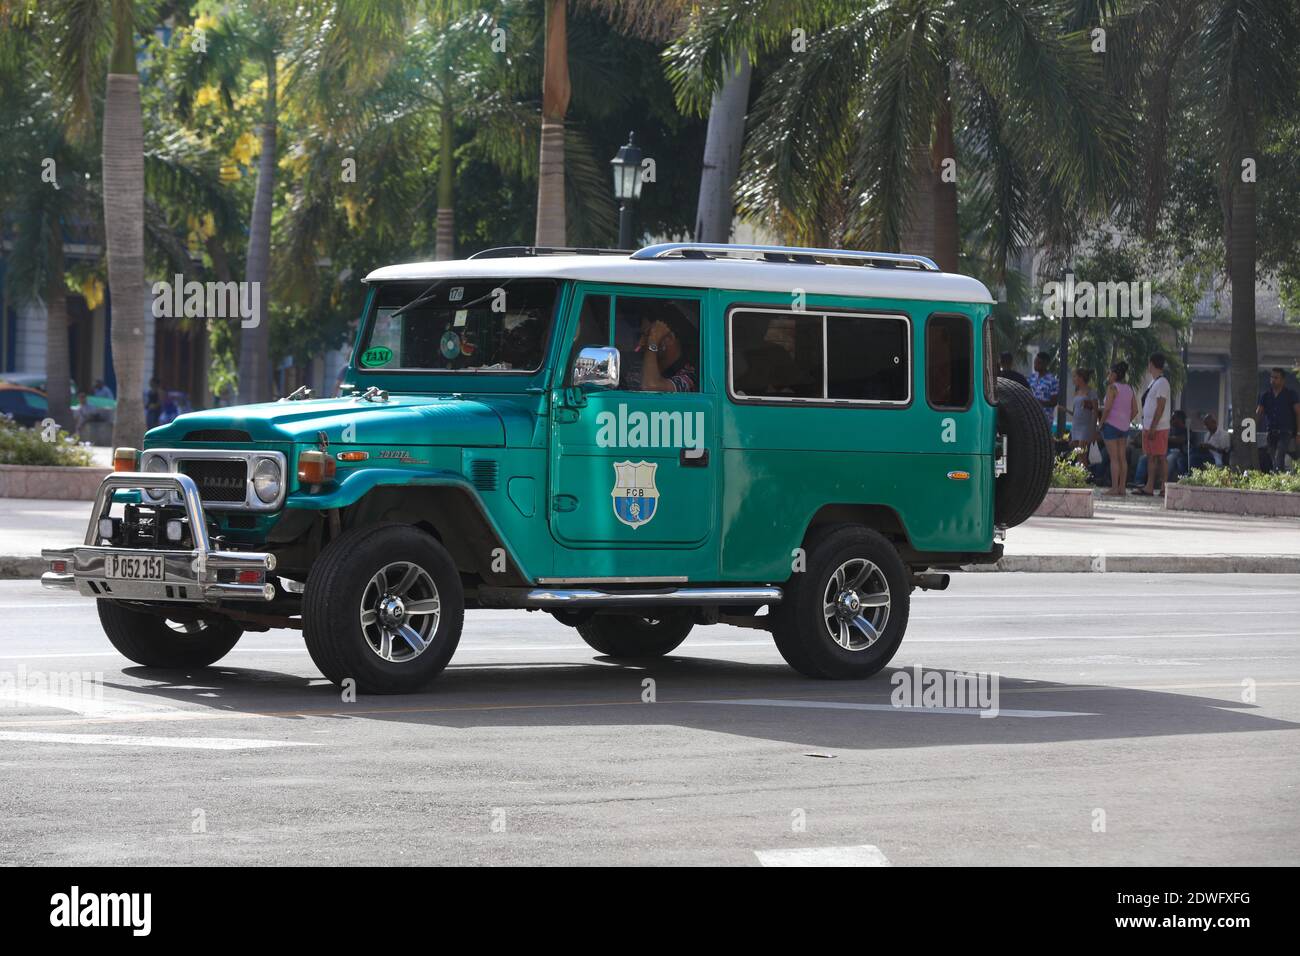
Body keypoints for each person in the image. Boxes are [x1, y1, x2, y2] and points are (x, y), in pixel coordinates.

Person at [1099, 361, 1137, 496]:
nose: (1108, 375)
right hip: (1124, 427)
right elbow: (1135, 410)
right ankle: (1122, 488)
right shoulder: (1129, 388)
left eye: (1110, 373)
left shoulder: (1112, 388)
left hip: (1111, 426)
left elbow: (1107, 408)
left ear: (1114, 374)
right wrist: (1126, 420)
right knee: (1122, 458)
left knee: (1114, 458)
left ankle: (1114, 488)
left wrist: (1101, 423)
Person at [1136, 353, 1171, 496]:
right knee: (1151, 456)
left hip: (1158, 427)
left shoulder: (1162, 382)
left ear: (1152, 364)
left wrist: (1153, 427)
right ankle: (1149, 486)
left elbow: (1161, 406)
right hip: (1149, 425)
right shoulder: (1154, 382)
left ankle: (1164, 487)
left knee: (1161, 456)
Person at [637, 313, 698, 393]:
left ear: (670, 338)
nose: (640, 342)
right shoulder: (639, 366)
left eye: (649, 335)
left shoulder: (689, 375)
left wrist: (652, 344)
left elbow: (650, 387)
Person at [1254, 367, 1299, 472]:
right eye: (1271, 377)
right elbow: (1258, 413)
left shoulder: (1291, 394)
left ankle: (1278, 477)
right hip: (1271, 432)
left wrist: (1298, 433)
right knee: (1274, 458)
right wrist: (1250, 429)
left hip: (1285, 432)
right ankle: (1279, 478)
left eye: (1276, 377)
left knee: (1279, 454)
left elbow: (1298, 413)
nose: (1273, 380)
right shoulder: (1266, 395)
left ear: (1283, 380)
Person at [1068, 368, 1099, 450]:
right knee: (1078, 455)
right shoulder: (1076, 393)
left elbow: (1095, 411)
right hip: (1076, 425)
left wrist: (1094, 430)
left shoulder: (1091, 392)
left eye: (1075, 376)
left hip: (1085, 426)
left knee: (1082, 453)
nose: (1073, 379)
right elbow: (1075, 412)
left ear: (1081, 378)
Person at [1027, 352, 1059, 424]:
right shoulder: (1031, 378)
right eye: (1035, 362)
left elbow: (1054, 402)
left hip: (1044, 419)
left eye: (1038, 363)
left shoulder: (1053, 381)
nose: (1035, 365)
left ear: (1045, 364)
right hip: (1030, 417)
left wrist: (1037, 402)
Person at [1166, 410, 1190, 480]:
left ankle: (1165, 484)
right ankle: (1139, 482)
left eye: (1173, 418)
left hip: (1178, 453)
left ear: (1180, 419)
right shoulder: (1169, 430)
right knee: (1145, 458)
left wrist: (1166, 438)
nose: (1171, 420)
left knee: (1170, 458)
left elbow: (1181, 439)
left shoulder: (1186, 430)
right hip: (1165, 451)